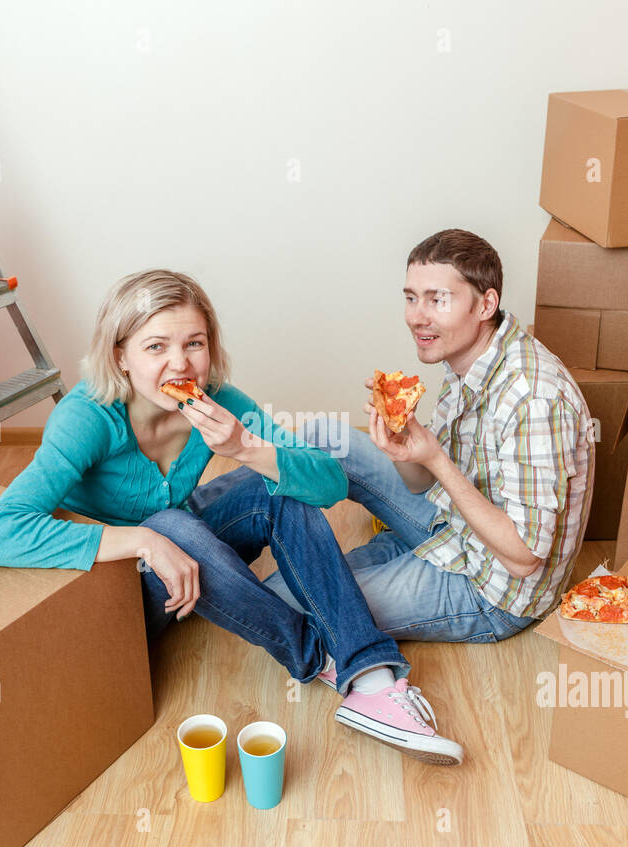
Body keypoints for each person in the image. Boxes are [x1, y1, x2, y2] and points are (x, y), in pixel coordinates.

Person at [0, 269, 465, 764]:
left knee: (278, 488)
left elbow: (329, 484)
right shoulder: (87, 418)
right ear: (119, 356)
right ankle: (318, 654)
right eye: (156, 347)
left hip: (184, 555)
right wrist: (143, 541)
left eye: (194, 344)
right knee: (171, 526)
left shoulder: (219, 402)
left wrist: (246, 448)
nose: (179, 363)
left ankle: (371, 678)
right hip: (116, 592)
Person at [254, 228, 594, 648]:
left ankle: (356, 561)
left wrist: (434, 459)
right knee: (322, 434)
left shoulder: (534, 400)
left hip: (493, 589)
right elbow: (419, 483)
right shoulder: (469, 355)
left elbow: (524, 558)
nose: (417, 316)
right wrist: (399, 443)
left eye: (438, 299)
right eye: (411, 297)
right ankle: (236, 530)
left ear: (486, 303)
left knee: (280, 600)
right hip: (453, 524)